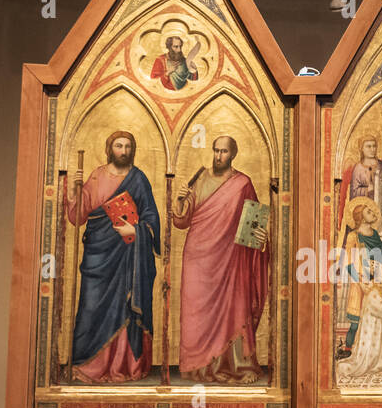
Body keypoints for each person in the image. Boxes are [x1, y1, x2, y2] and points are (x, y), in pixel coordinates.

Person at [171, 135, 270, 383]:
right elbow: (182, 222)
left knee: (235, 308)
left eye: (223, 152)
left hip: (231, 259)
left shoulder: (242, 183)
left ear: (232, 154)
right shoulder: (200, 179)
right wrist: (180, 201)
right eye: (216, 151)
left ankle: (238, 366)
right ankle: (199, 367)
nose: (218, 156)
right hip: (197, 257)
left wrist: (261, 239)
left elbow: (253, 225)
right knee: (197, 311)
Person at [65, 130, 161, 383]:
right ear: (110, 148)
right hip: (98, 252)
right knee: (91, 305)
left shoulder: (138, 179)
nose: (124, 151)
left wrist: (137, 231)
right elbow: (78, 216)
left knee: (124, 308)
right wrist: (75, 194)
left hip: (128, 256)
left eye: (128, 146)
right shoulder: (96, 175)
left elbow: (151, 216)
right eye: (119, 145)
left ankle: (125, 366)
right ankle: (87, 364)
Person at [338, 200, 382, 358]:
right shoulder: (353, 236)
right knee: (355, 323)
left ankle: (372, 353)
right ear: (360, 217)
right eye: (369, 212)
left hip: (375, 282)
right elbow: (348, 263)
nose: (373, 213)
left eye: (373, 211)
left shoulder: (374, 234)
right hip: (360, 283)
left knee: (375, 321)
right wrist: (360, 282)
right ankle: (348, 350)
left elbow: (381, 257)